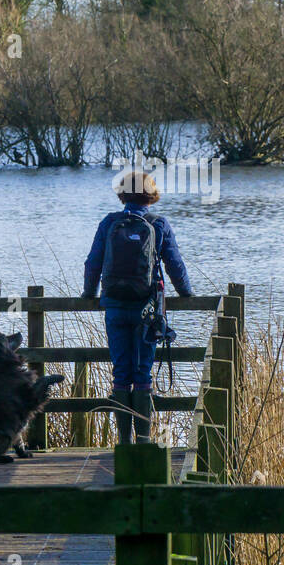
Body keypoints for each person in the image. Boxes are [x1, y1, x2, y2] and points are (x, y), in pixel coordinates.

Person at [82, 169, 193, 444]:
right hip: (147, 309)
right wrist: (186, 293)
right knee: (142, 372)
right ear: (150, 195)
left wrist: (88, 293)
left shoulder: (109, 222)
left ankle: (123, 442)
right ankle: (143, 441)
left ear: (123, 194)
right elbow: (175, 264)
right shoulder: (159, 223)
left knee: (121, 372)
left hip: (115, 306)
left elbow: (92, 263)